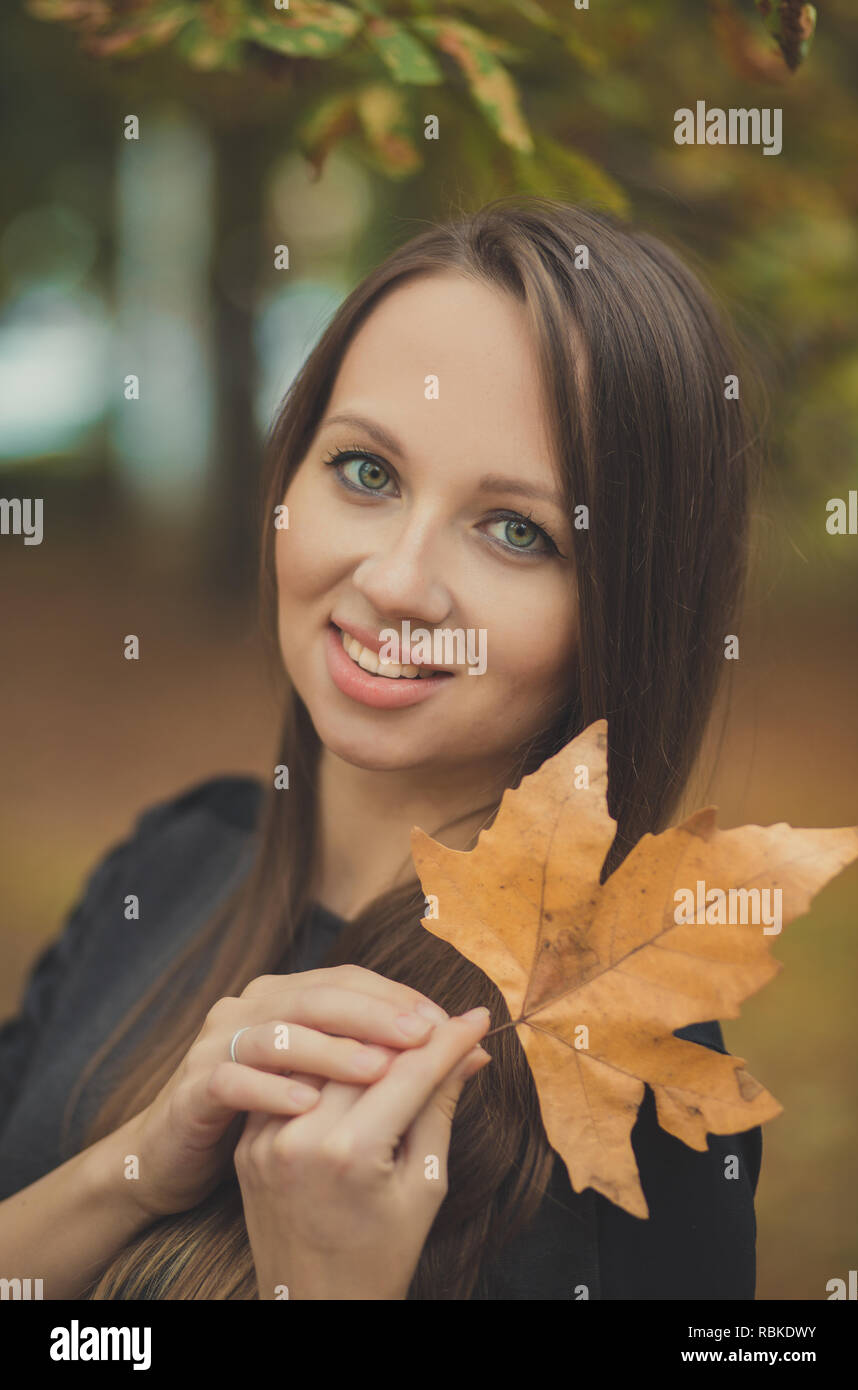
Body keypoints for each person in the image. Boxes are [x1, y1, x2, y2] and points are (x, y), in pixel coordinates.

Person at [0, 197, 765, 1300]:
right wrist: (129, 1177)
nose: (397, 581)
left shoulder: (638, 1065)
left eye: (516, 530)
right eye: (366, 472)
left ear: (625, 611)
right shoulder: (172, 856)